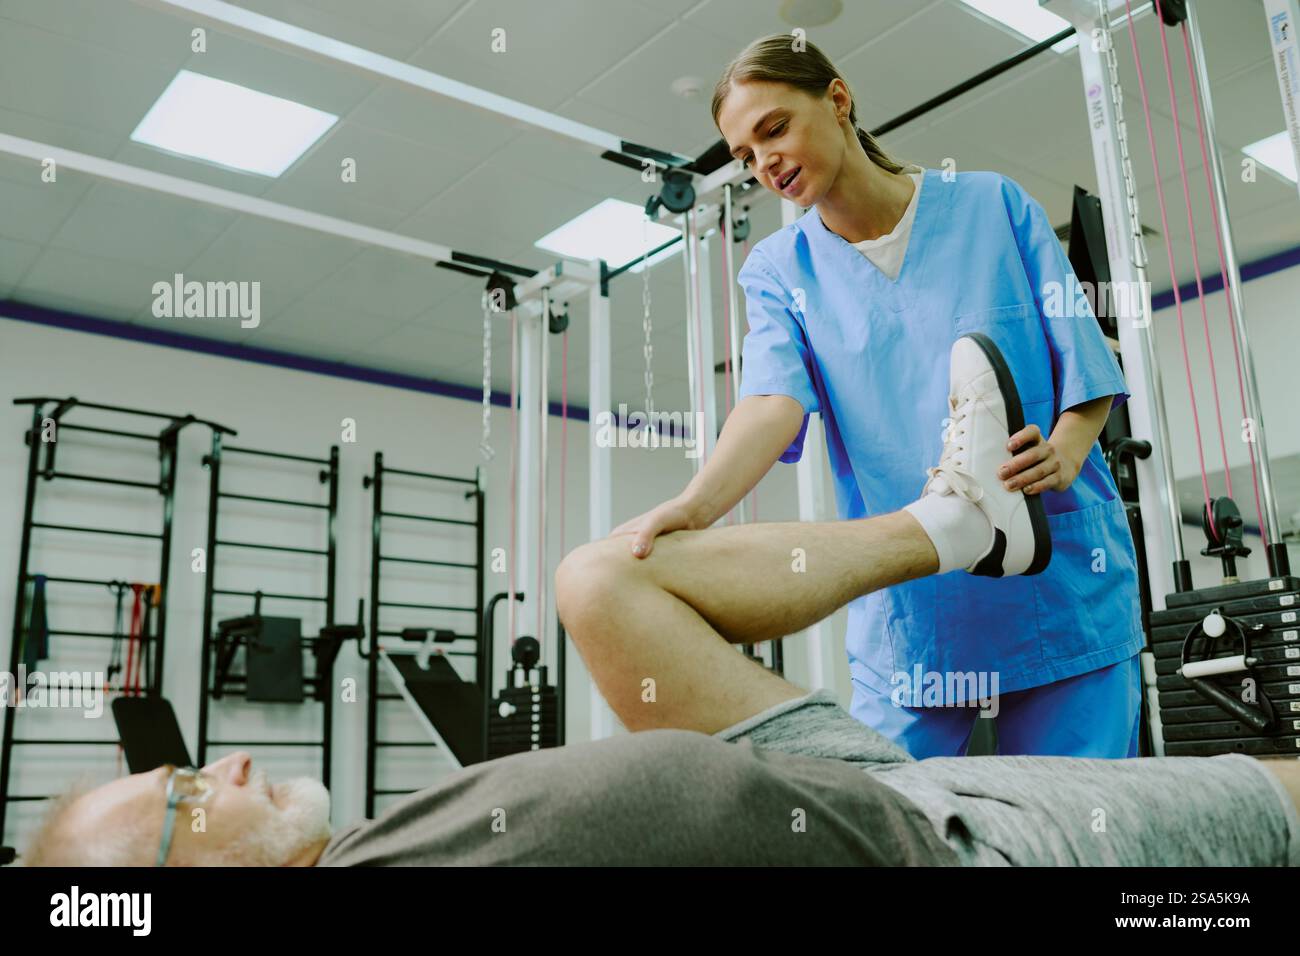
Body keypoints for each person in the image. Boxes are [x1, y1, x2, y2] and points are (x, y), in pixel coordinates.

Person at [19, 335, 1299, 867]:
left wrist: (697, 490)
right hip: (929, 850)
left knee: (599, 574)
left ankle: (953, 525)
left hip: (815, 769)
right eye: (184, 801)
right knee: (1267, 807)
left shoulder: (360, 850)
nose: (220, 761)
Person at [611, 34, 1145, 760]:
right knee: (884, 826)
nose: (763, 161)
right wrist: (694, 507)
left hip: (1061, 583)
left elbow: (1083, 363)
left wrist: (1067, 449)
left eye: (774, 129)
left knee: (1074, 834)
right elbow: (771, 403)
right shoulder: (778, 269)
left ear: (837, 100)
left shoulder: (991, 205)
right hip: (919, 609)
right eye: (744, 155)